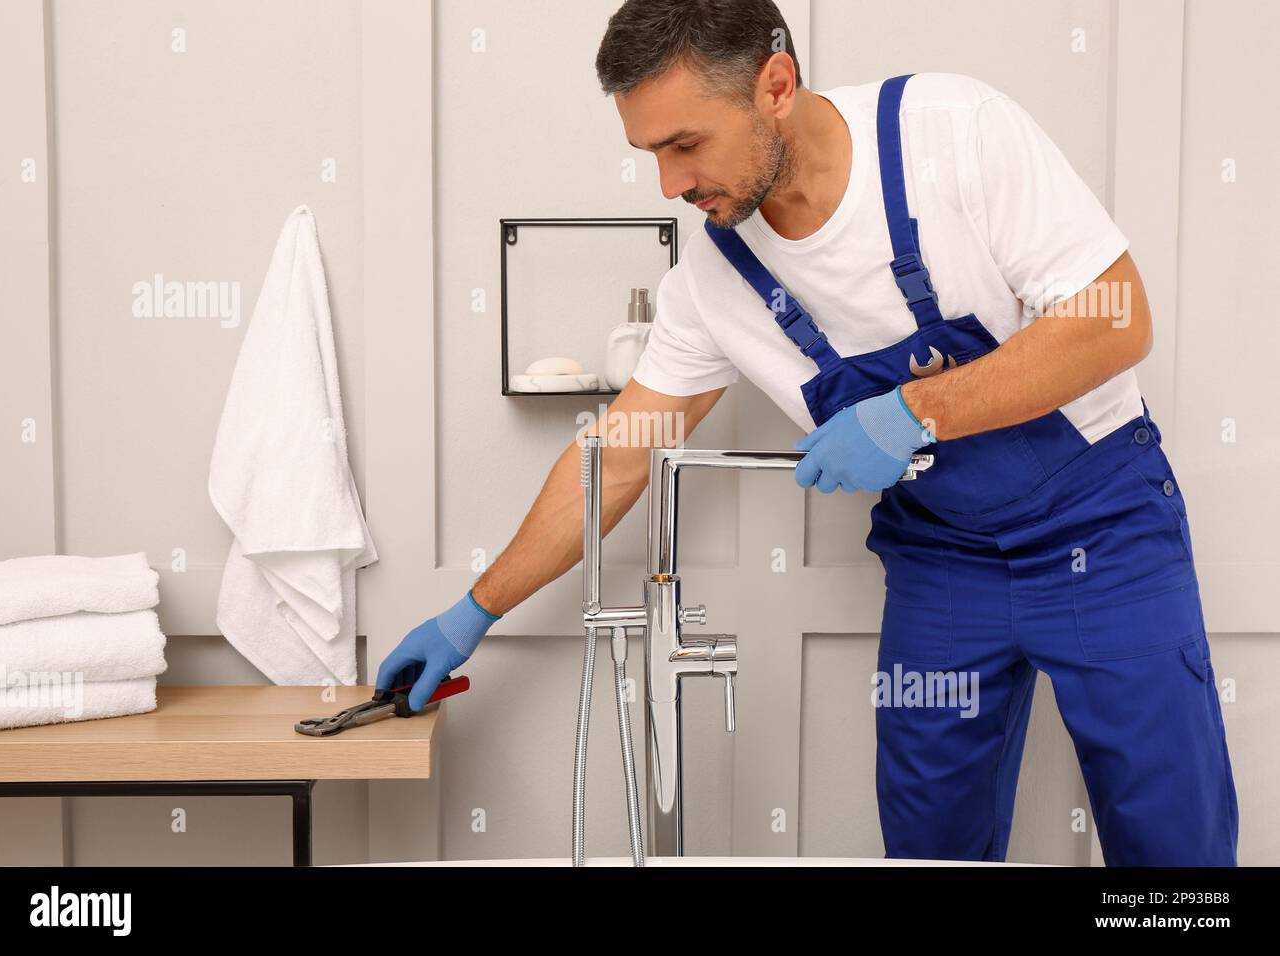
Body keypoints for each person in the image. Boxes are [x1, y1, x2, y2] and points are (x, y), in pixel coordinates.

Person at [379, 0, 1237, 866]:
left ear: (776, 86)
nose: (669, 186)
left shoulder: (953, 134)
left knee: (1172, 841)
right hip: (942, 561)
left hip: (1104, 532)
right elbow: (620, 460)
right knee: (930, 843)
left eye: (685, 145)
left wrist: (912, 411)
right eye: (650, 154)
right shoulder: (716, 280)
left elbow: (1114, 321)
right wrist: (473, 611)